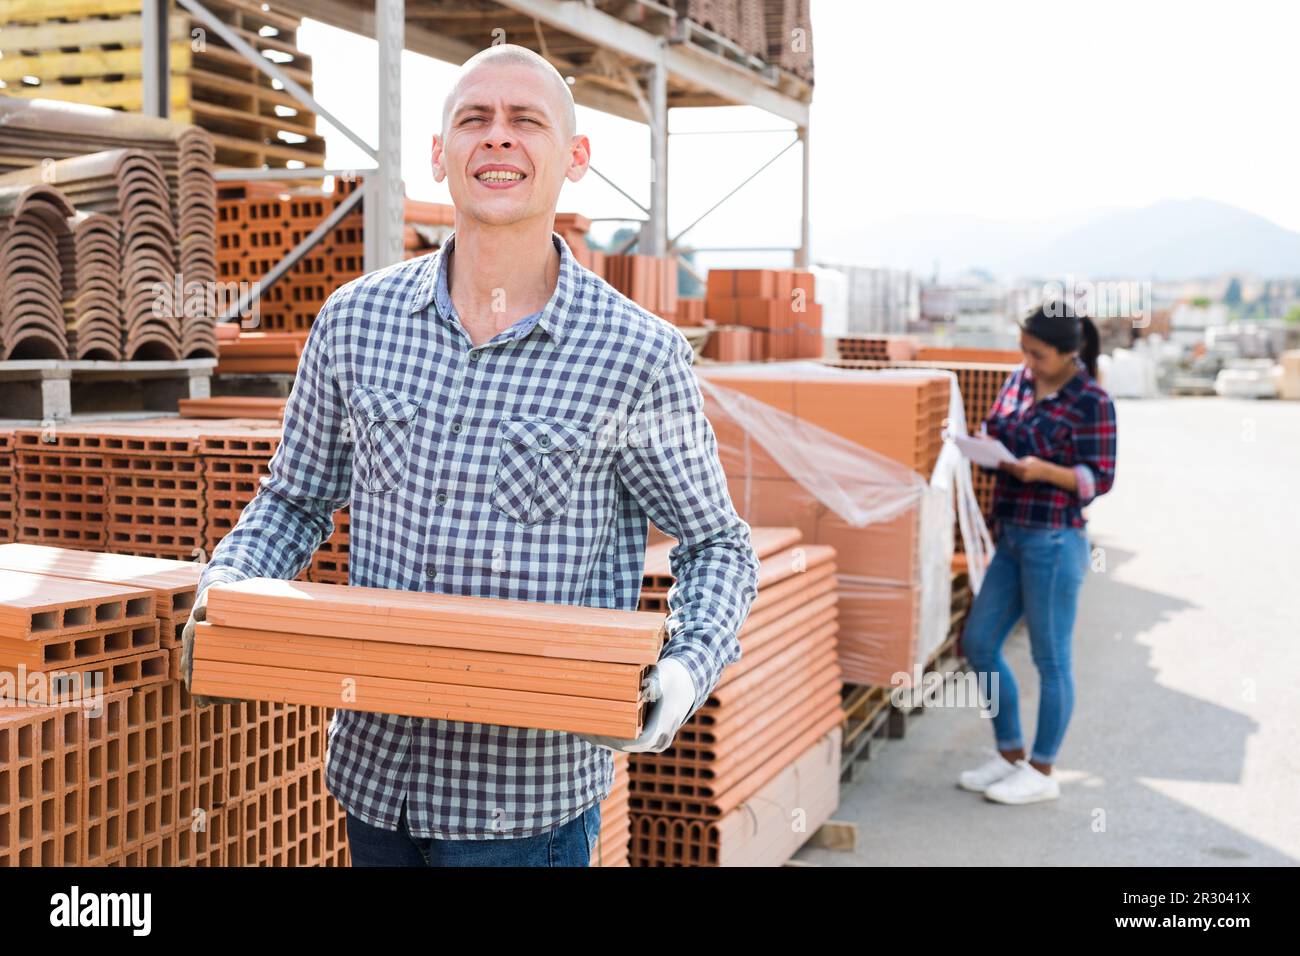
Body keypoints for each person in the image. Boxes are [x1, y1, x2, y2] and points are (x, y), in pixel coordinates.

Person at [179, 44, 760, 865]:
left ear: (575, 158)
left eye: (527, 121)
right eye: (474, 120)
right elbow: (294, 500)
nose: (498, 138)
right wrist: (227, 585)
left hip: (523, 810)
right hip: (377, 784)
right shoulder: (355, 324)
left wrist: (684, 670)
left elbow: (717, 546)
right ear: (438, 153)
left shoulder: (635, 357)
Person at [957, 302, 1117, 805]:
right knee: (979, 642)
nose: (1028, 361)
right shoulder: (1019, 381)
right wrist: (982, 446)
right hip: (1012, 533)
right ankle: (1009, 756)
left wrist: (1042, 470)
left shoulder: (1092, 400)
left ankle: (1043, 769)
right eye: (1024, 350)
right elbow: (996, 427)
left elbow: (1100, 478)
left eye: (1039, 354)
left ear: (1070, 353)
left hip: (1054, 539)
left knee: (1051, 659)